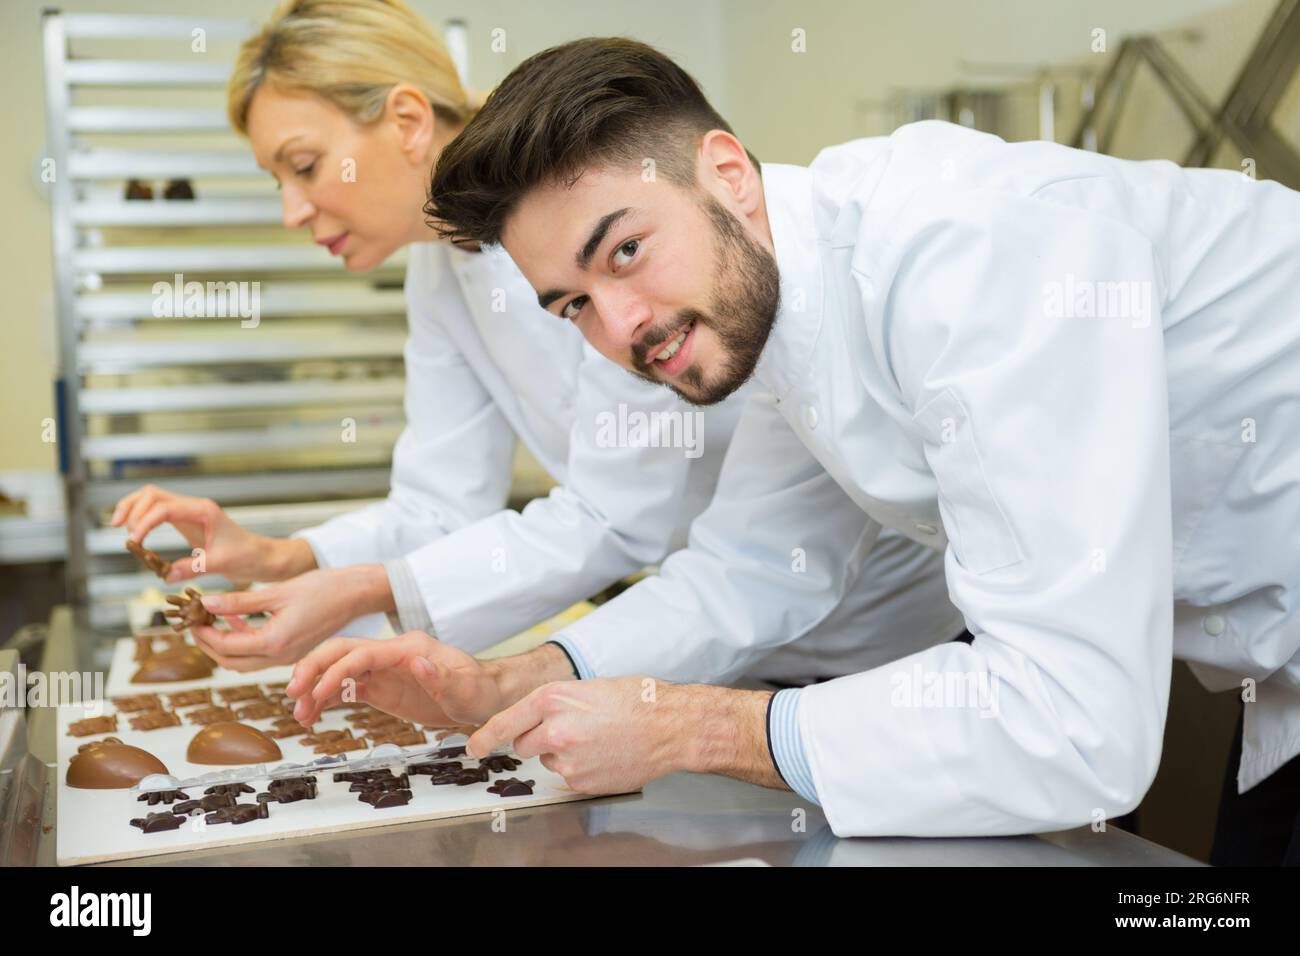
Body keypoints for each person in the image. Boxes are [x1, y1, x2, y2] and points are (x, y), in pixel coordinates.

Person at [295, 36, 1300, 857]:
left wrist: (696, 724)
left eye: (626, 251)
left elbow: (1074, 719)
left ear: (725, 172)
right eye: (573, 304)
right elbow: (748, 567)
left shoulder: (969, 256)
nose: (619, 328)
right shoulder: (782, 312)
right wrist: (514, 682)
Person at [112, 2, 963, 690]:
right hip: (695, 626)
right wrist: (289, 557)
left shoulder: (586, 217)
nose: (294, 210)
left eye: (304, 165)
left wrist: (371, 591)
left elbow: (615, 517)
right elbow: (442, 505)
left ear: (407, 119)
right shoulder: (438, 273)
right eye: (276, 181)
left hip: (863, 631)